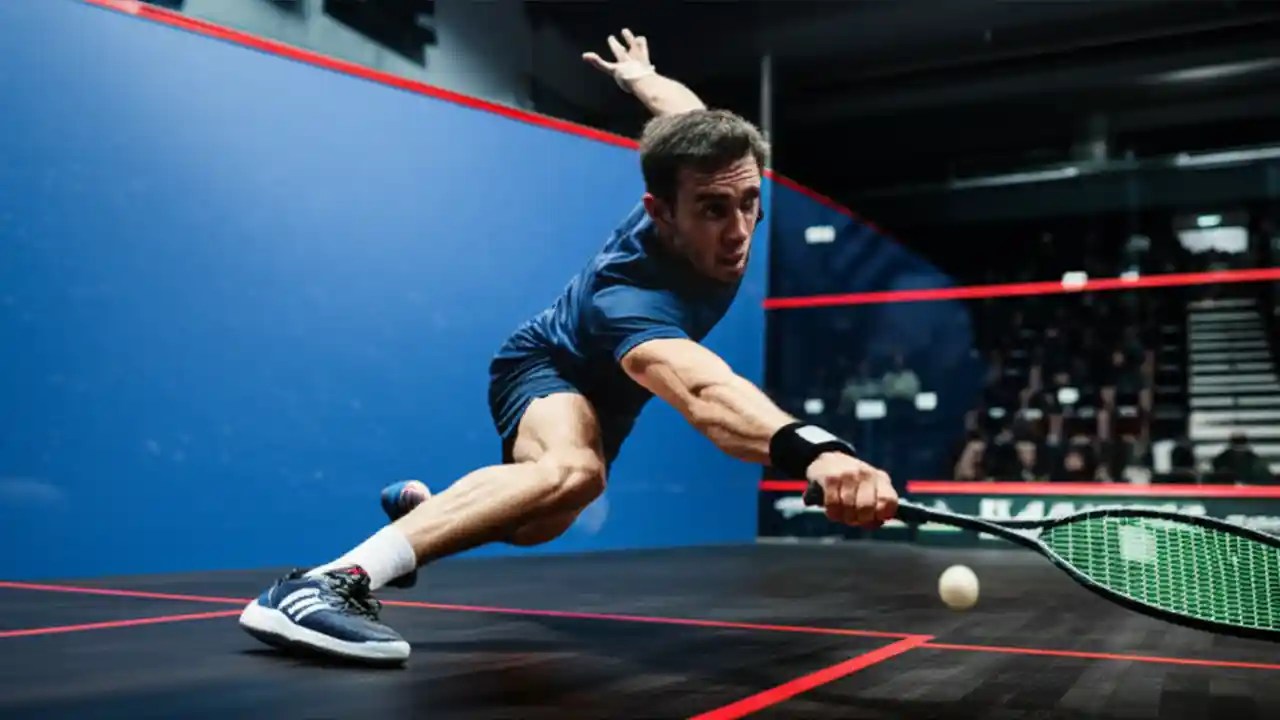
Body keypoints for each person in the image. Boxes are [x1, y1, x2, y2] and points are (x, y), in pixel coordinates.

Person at [237, 28, 899, 665]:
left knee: (537, 521)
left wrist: (642, 79)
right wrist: (816, 451)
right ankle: (322, 584)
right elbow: (702, 391)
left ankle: (428, 512)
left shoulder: (716, 171)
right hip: (547, 363)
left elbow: (687, 112)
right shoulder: (630, 300)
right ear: (660, 210)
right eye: (712, 210)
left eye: (750, 202)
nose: (738, 230)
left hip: (609, 396)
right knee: (574, 471)